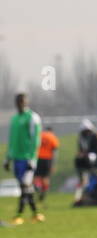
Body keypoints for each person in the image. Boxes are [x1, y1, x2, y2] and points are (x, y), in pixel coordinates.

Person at [6, 93, 43, 223]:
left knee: (25, 185)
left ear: (26, 102)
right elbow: (12, 140)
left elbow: (36, 139)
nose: (20, 103)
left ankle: (18, 215)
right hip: (16, 158)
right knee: (26, 188)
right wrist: (8, 158)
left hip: (28, 158)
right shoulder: (14, 119)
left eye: (22, 101)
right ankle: (36, 214)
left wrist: (32, 158)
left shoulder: (32, 117)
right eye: (18, 101)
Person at [73, 120, 97, 202]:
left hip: (95, 163)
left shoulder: (95, 137)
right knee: (83, 181)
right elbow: (81, 150)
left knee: (96, 180)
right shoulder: (81, 138)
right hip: (84, 164)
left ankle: (96, 197)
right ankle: (79, 198)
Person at [34, 124, 59, 205]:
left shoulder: (40, 135)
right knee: (46, 177)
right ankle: (44, 192)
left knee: (37, 176)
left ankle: (38, 188)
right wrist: (53, 164)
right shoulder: (53, 137)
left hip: (38, 158)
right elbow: (55, 152)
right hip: (48, 160)